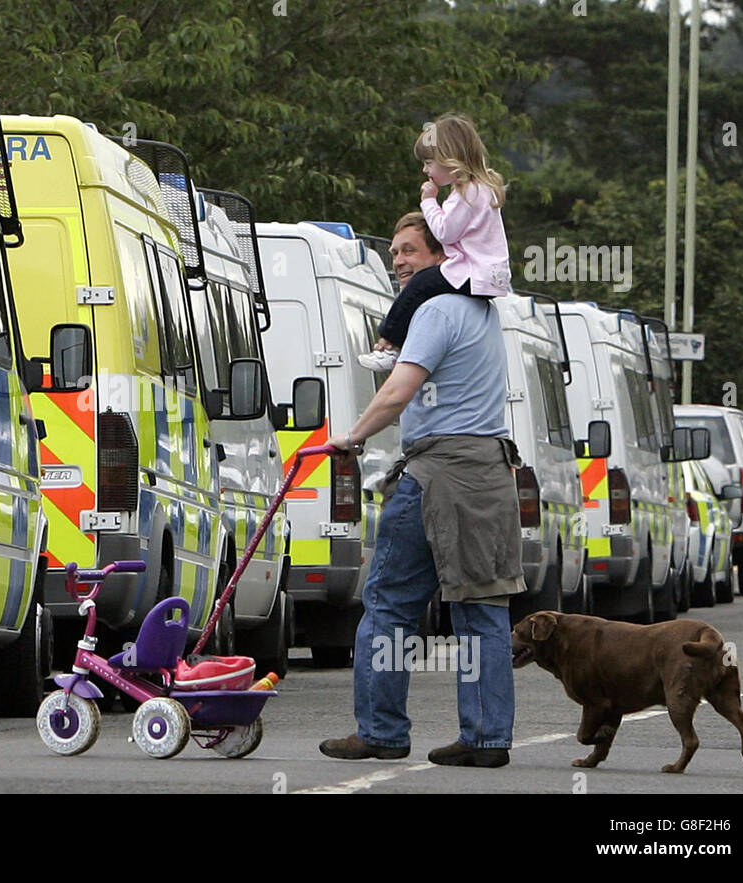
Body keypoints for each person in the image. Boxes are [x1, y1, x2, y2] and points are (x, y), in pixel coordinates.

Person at [319, 213, 526, 768]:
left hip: (438, 471)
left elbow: (397, 392)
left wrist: (352, 438)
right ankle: (486, 738)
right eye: (394, 252)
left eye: (410, 250)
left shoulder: (434, 311)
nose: (399, 261)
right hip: (490, 470)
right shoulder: (483, 312)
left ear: (444, 255)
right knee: (482, 608)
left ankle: (380, 731)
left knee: (389, 603)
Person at [358, 114, 512, 372]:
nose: (425, 170)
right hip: (487, 275)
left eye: (429, 162)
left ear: (450, 160)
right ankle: (401, 344)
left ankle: (389, 343)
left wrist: (429, 201)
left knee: (418, 286)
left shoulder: (466, 194)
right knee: (428, 289)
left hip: (473, 273)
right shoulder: (483, 189)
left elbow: (444, 232)